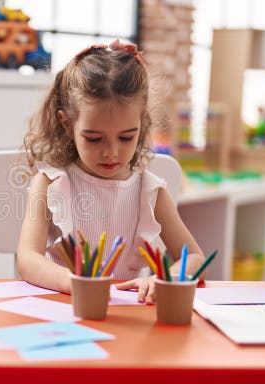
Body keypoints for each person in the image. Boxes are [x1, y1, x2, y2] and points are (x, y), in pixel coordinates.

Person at [16, 40, 206, 303]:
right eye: (94, 139)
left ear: (142, 125)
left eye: (126, 137)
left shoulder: (150, 191)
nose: (111, 153)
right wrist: (71, 282)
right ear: (67, 124)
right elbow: (27, 259)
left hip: (129, 317)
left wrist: (166, 279)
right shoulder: (50, 183)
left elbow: (194, 257)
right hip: (64, 311)